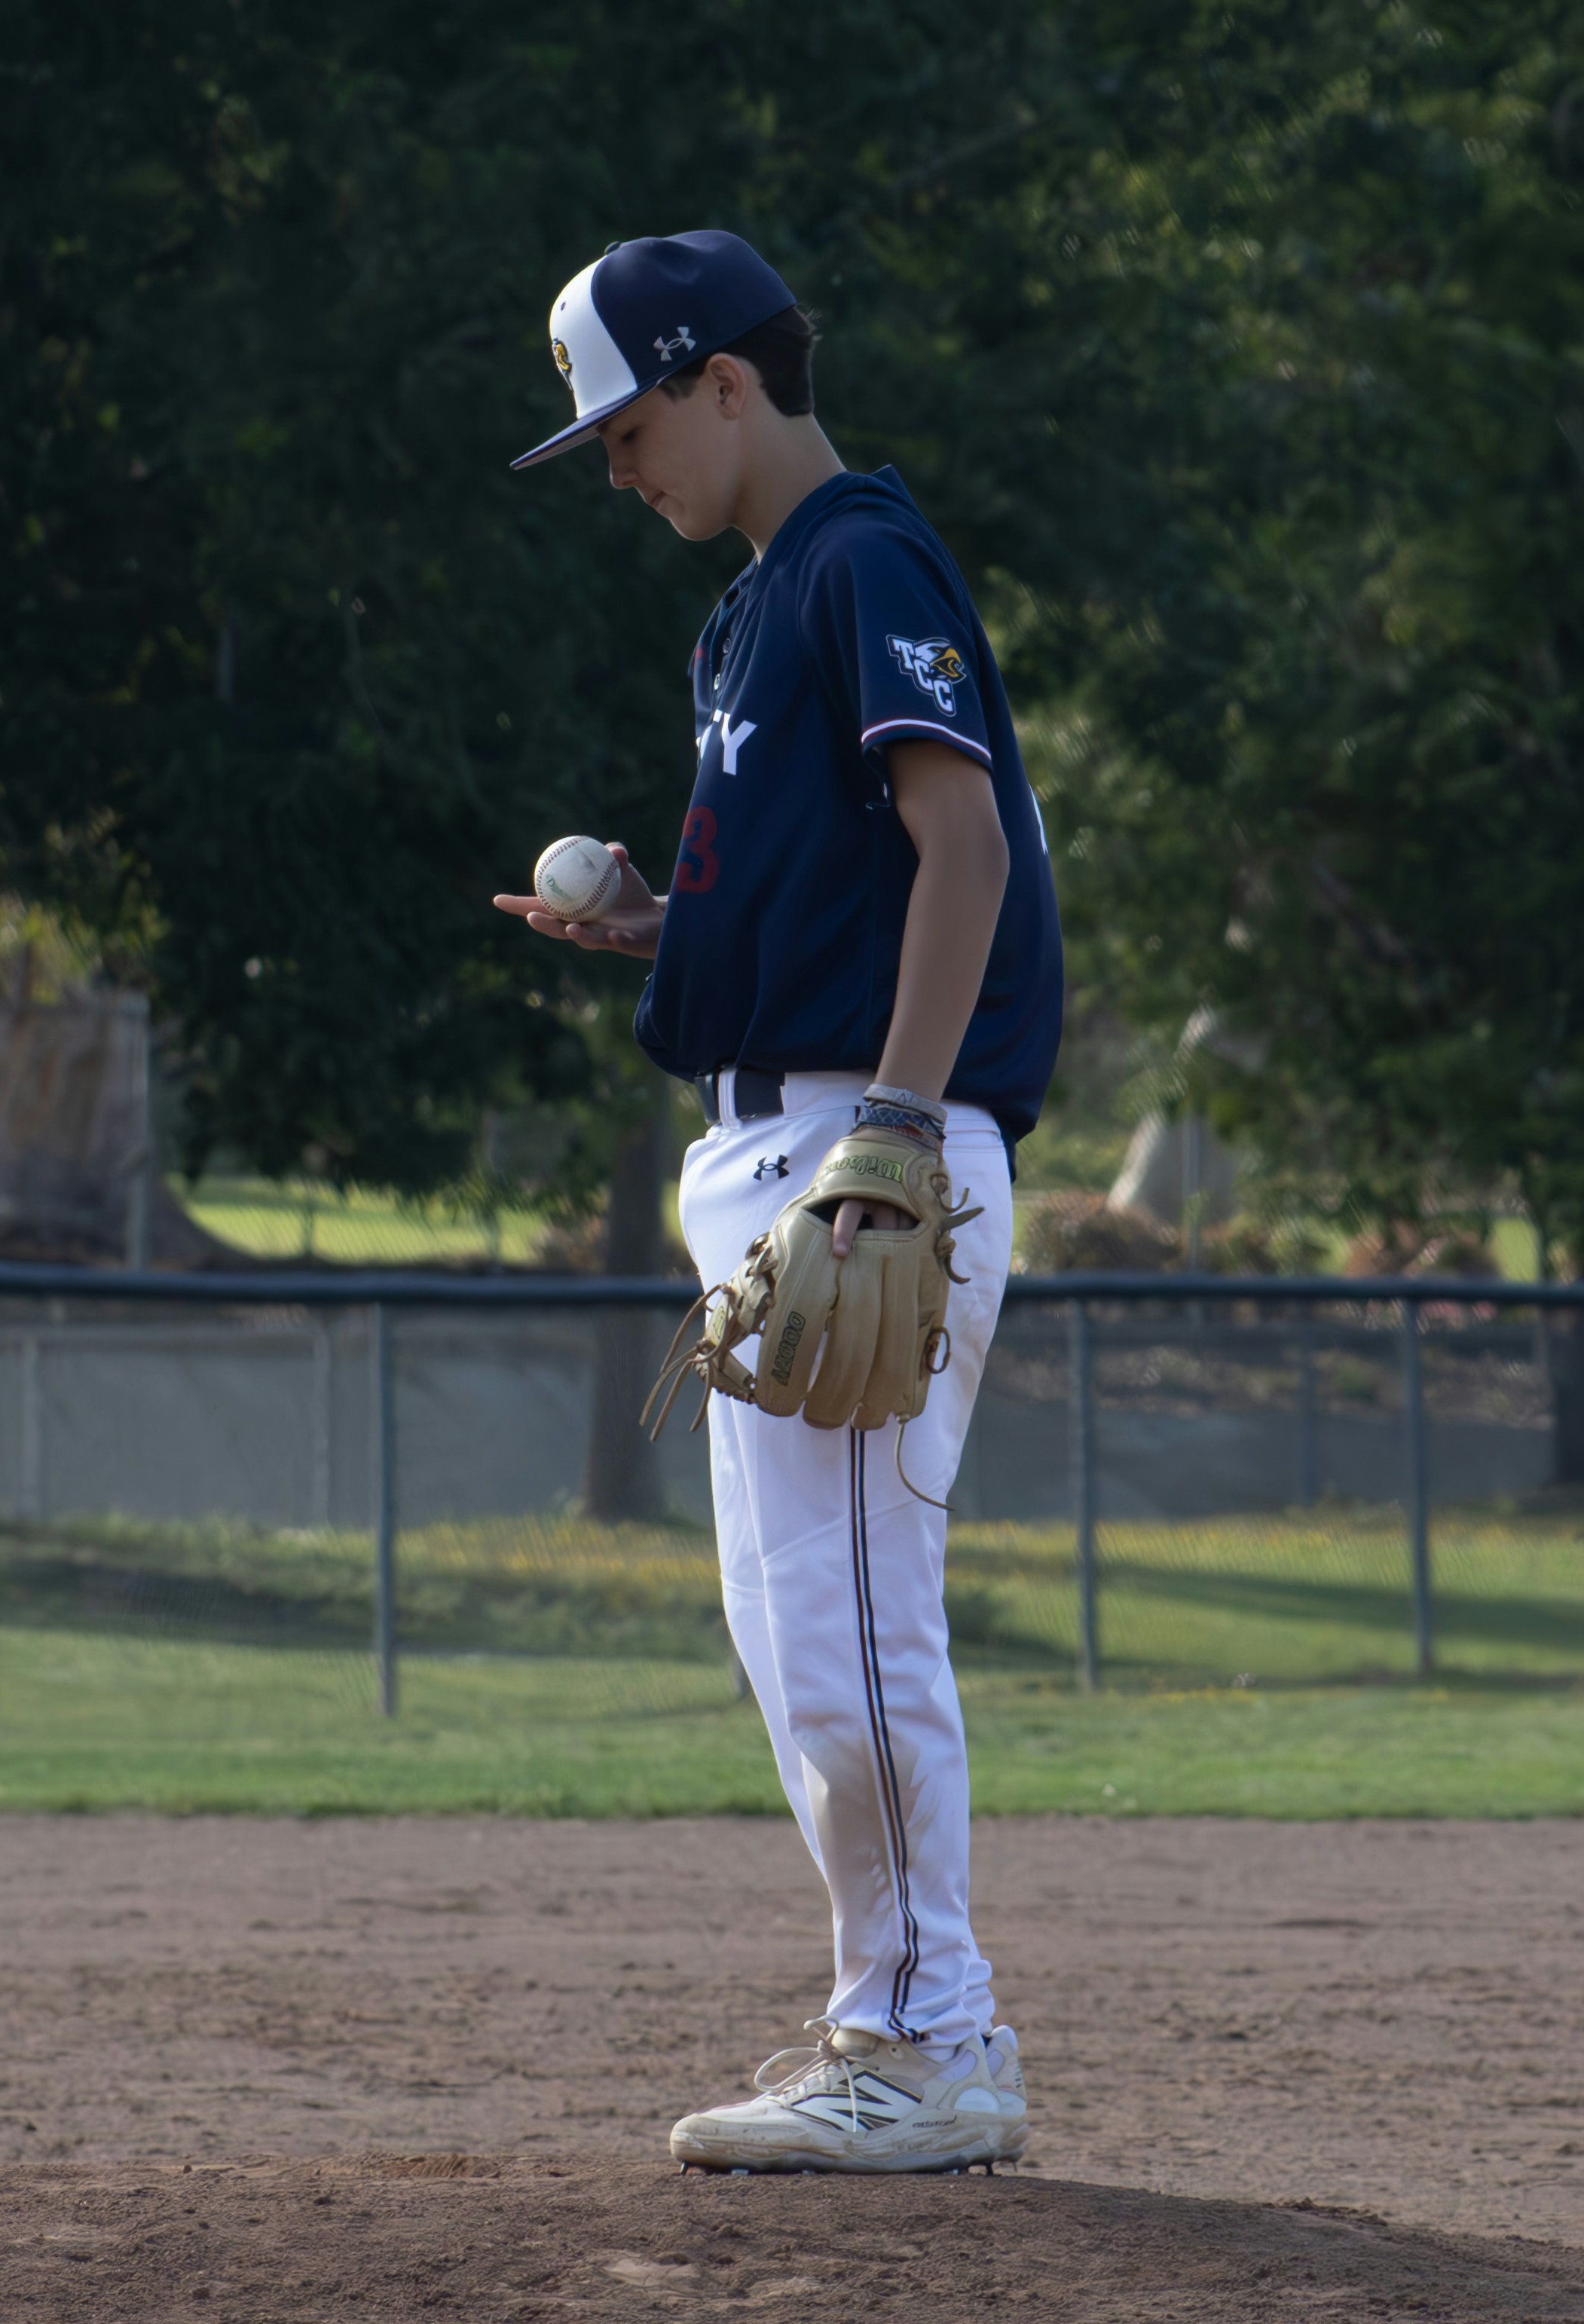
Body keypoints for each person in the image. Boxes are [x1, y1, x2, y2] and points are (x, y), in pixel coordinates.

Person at [498, 231, 1063, 2173]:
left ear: (727, 377)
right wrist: (674, 929)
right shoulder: (751, 614)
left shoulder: (861, 560)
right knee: (798, 1633)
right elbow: (841, 884)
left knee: (851, 1629)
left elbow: (963, 843)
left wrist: (894, 1128)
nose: (619, 467)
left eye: (632, 424)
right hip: (780, 1146)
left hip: (860, 1151)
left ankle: (928, 2038)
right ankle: (896, 2012)